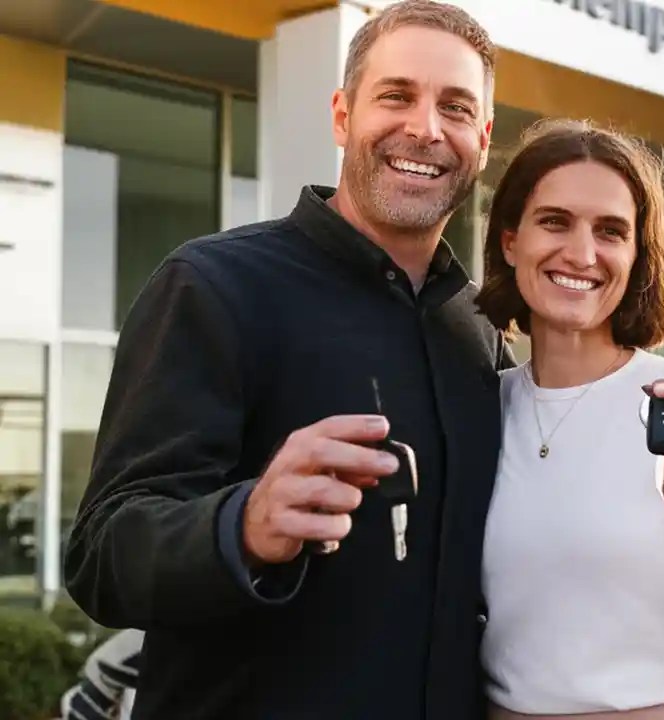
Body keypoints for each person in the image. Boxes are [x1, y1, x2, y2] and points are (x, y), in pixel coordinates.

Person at [62, 2, 511, 718]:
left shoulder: (482, 334)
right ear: (341, 116)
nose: (426, 128)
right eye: (396, 96)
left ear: (482, 140)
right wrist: (241, 525)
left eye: (455, 108)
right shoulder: (214, 286)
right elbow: (99, 557)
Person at [473, 118, 664, 719]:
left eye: (611, 231)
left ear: (638, 254)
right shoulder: (480, 408)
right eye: (555, 221)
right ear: (510, 240)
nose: (582, 253)